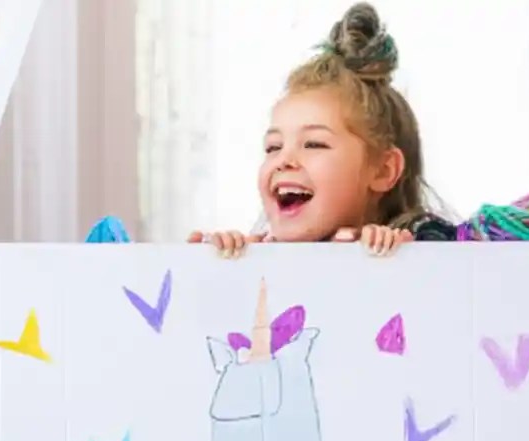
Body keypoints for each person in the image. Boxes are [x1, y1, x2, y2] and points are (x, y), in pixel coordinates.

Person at [188, 2, 455, 258]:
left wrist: (404, 255)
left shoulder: (431, 244)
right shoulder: (259, 255)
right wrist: (217, 269)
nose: (284, 161)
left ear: (383, 170)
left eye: (314, 144)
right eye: (273, 147)